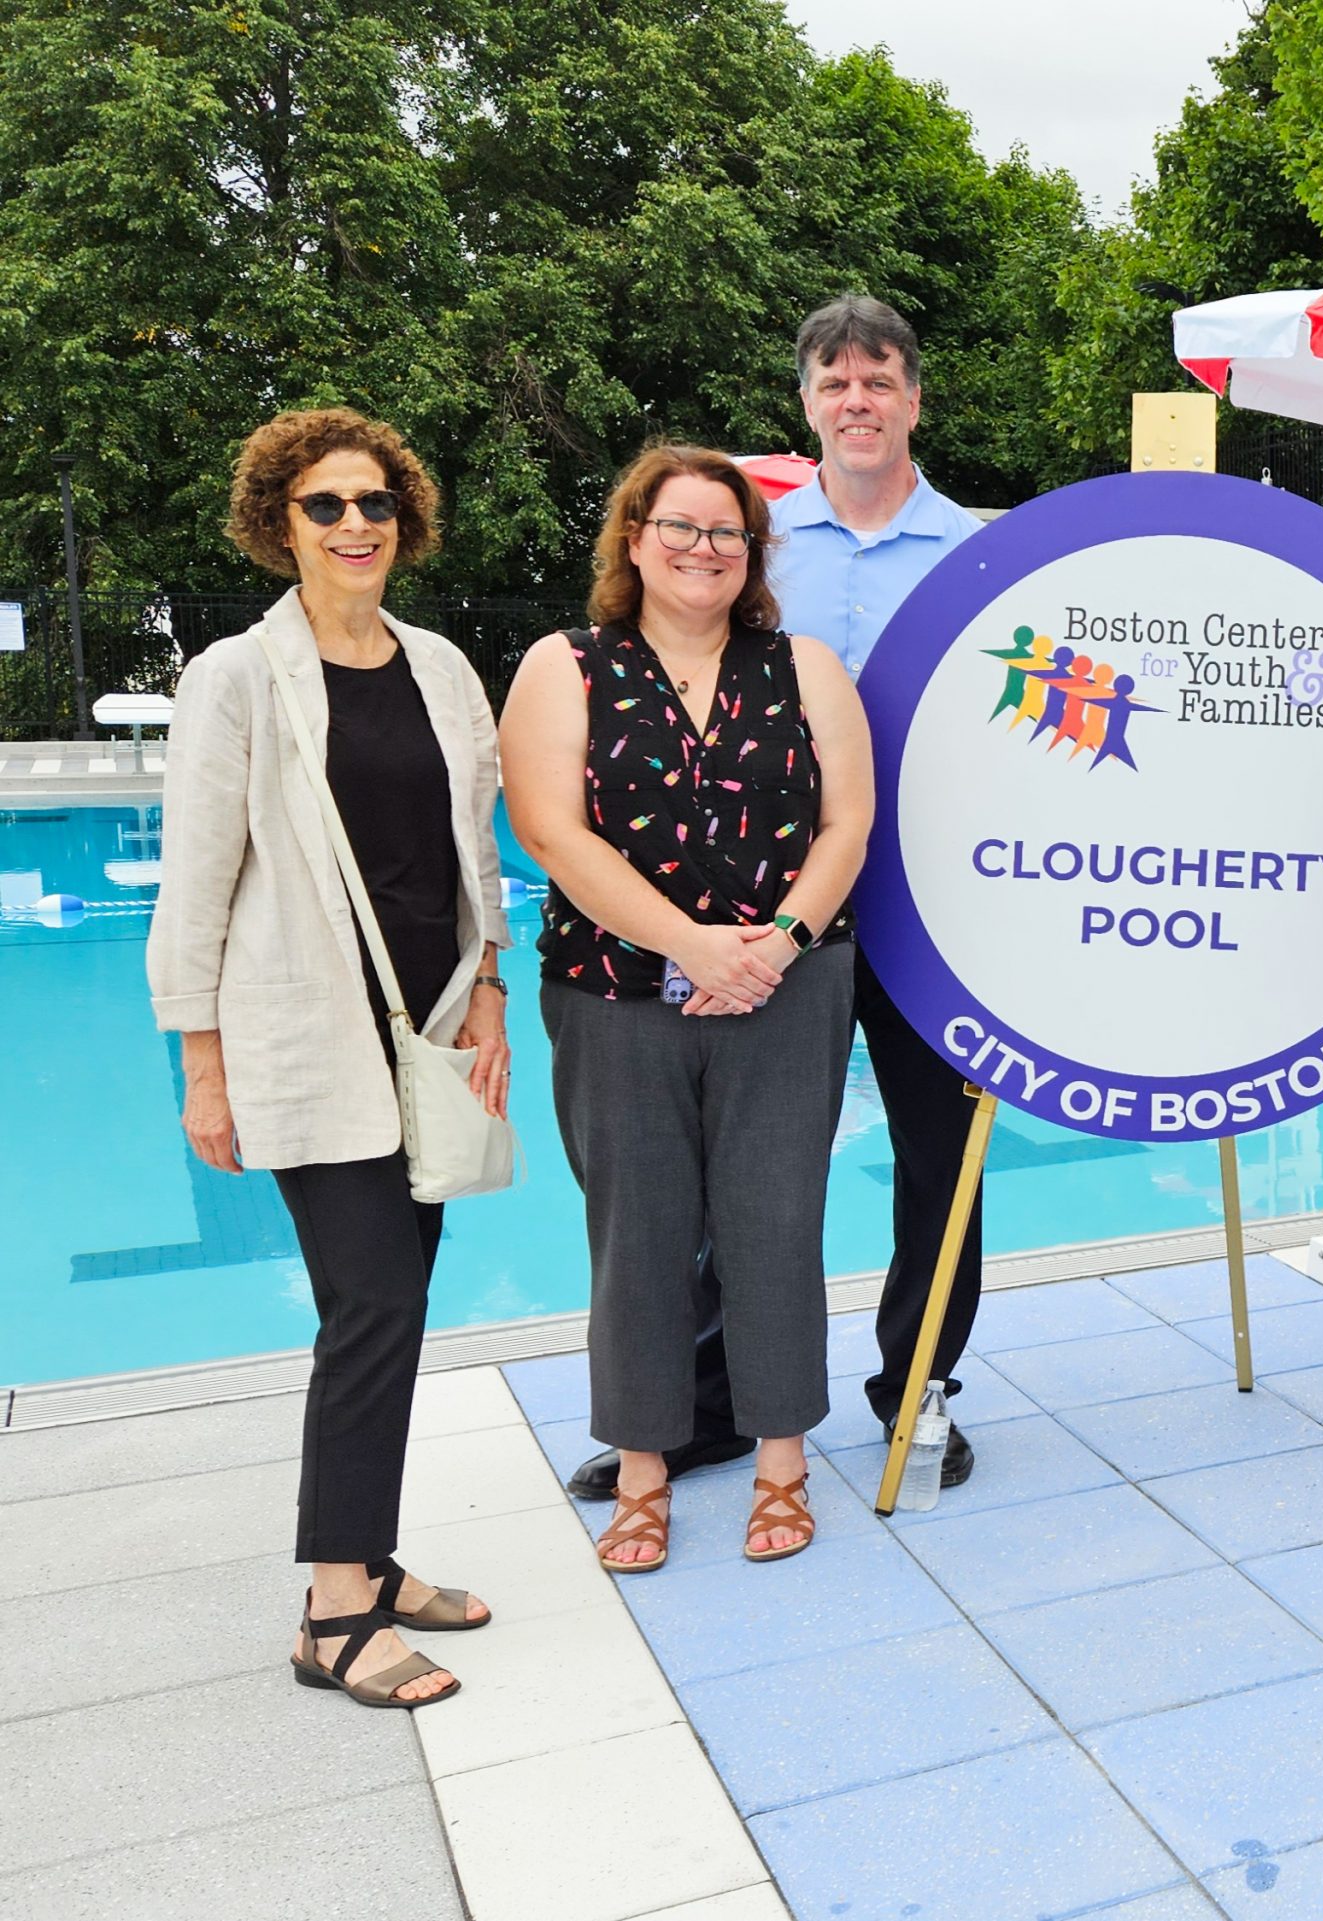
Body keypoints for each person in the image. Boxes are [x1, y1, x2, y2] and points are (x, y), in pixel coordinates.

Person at [561, 295, 989, 1504]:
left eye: (880, 378)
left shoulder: (981, 555)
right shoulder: (751, 545)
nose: (858, 400)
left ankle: (922, 1386)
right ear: (805, 401)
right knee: (716, 1166)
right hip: (758, 925)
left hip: (932, 914)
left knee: (936, 1160)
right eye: (834, 380)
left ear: (914, 396)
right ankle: (702, 1407)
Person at [150, 408, 509, 1708]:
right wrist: (202, 1060)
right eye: (326, 506)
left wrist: (491, 1005)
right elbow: (194, 886)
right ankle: (334, 1613)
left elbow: (476, 855)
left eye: (374, 503)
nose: (356, 524)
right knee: (371, 1311)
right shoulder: (239, 679)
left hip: (427, 1031)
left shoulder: (444, 668)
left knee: (396, 1312)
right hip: (308, 1038)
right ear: (278, 524)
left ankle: (370, 1552)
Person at [503, 445, 871, 1571]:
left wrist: (778, 946)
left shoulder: (803, 665)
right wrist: (692, 946)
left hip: (787, 990)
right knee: (639, 1240)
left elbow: (846, 825)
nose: (703, 549)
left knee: (772, 1228)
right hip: (617, 996)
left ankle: (780, 1466)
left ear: (753, 554)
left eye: (726, 533)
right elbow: (551, 833)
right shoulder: (563, 666)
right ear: (632, 537)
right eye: (680, 526)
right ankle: (645, 1473)